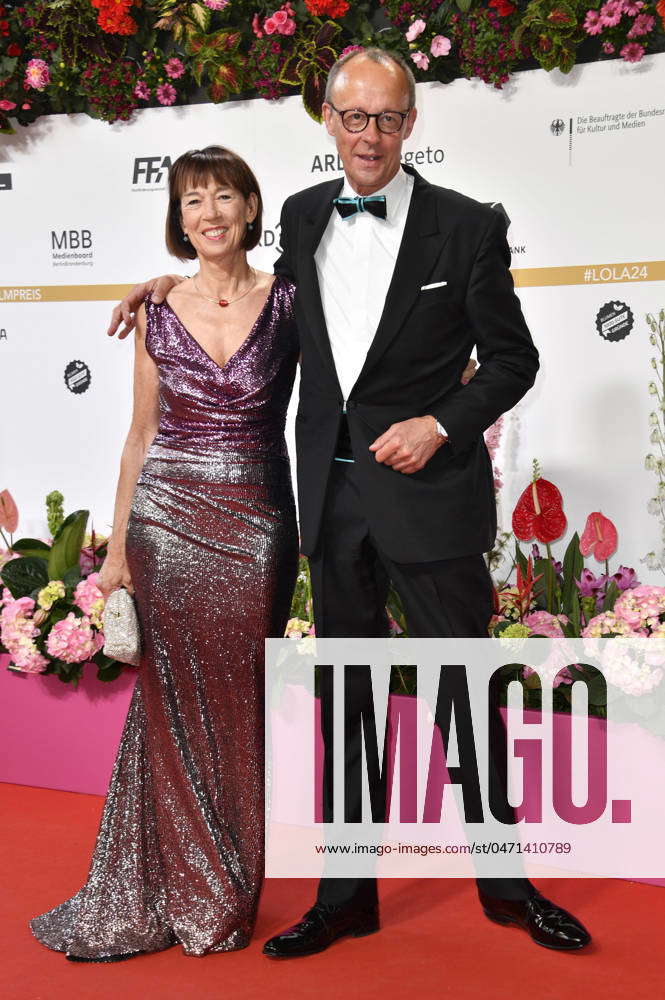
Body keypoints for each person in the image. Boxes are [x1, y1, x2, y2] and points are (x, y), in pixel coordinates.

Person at [108, 49, 591, 956]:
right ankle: (347, 895)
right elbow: (236, 288)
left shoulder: (469, 226)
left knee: (465, 696)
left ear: (411, 124)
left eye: (387, 118)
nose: (369, 136)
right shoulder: (296, 218)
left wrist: (441, 424)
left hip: (431, 499)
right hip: (332, 505)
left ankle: (506, 885)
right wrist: (163, 288)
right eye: (352, 117)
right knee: (348, 706)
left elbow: (514, 360)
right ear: (326, 121)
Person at [30, 146, 300, 960]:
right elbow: (140, 433)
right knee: (172, 708)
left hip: (255, 521)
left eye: (223, 196)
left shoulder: (292, 301)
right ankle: (187, 885)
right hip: (166, 519)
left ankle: (225, 883)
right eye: (191, 201)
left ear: (252, 208)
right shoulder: (155, 308)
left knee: (239, 708)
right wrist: (115, 554)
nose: (209, 213)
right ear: (177, 220)